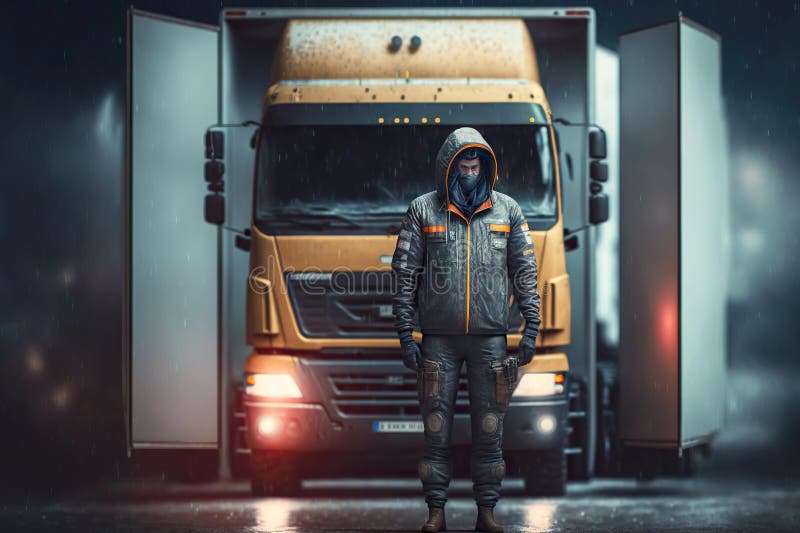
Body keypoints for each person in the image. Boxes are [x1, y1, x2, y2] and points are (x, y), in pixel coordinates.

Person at [391, 127, 541, 533]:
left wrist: (531, 328)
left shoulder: (508, 211)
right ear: (448, 168)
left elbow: (525, 272)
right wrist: (405, 333)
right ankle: (435, 513)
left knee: (490, 432)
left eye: (476, 168)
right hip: (438, 341)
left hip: (490, 341)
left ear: (486, 168)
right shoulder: (423, 210)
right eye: (463, 168)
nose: (470, 174)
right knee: (435, 430)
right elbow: (404, 274)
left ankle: (486, 513)